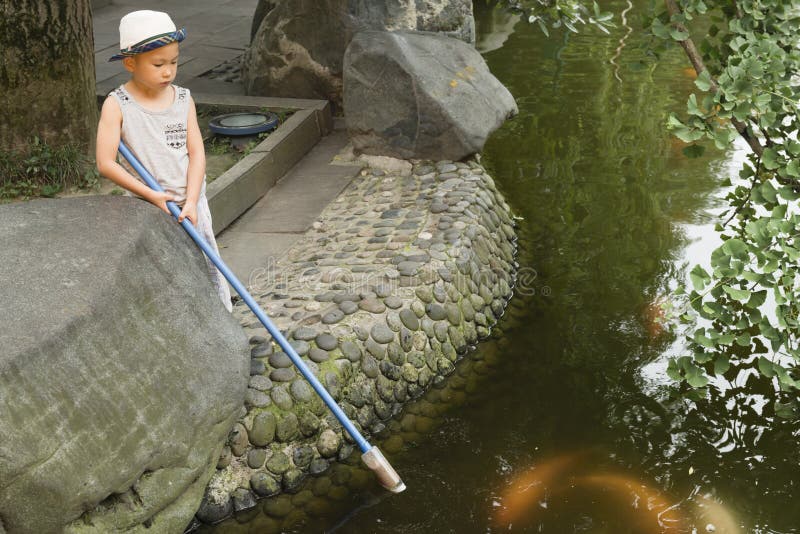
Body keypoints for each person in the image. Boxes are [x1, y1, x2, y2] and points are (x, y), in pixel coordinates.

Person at [96, 10, 232, 312]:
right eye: (158, 64)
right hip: (149, 204)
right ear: (131, 63)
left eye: (174, 61)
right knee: (166, 272)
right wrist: (151, 194)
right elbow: (106, 162)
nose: (168, 71)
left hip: (192, 202)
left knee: (208, 264)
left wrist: (193, 200)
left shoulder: (183, 99)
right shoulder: (117, 105)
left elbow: (197, 153)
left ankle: (221, 325)